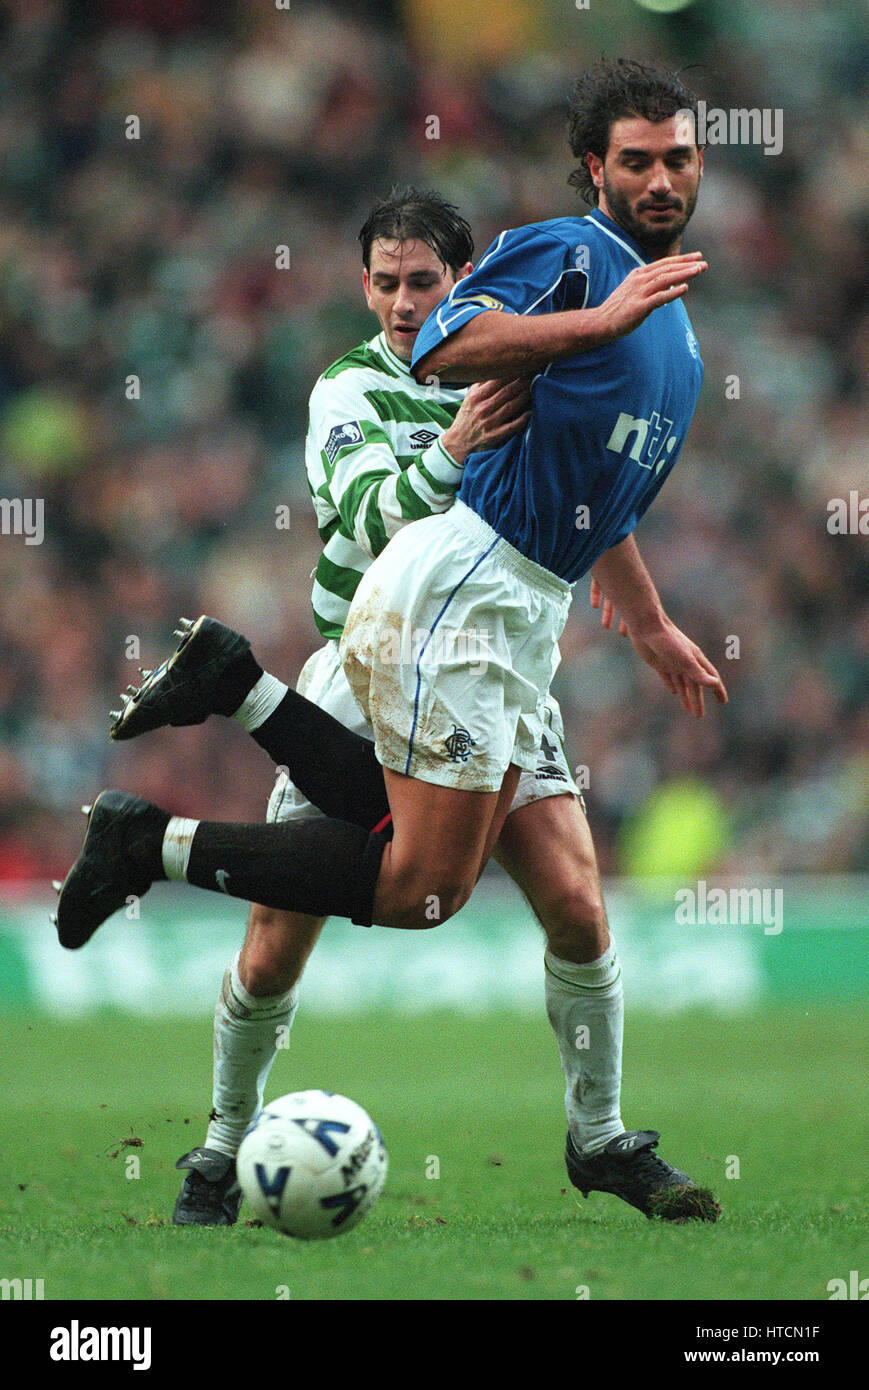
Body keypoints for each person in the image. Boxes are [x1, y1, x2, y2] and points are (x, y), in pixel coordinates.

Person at [55, 59, 727, 1224]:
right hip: (399, 639)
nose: (405, 303)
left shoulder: (662, 337)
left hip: (506, 636)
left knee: (572, 898)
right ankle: (214, 1138)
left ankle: (603, 1136)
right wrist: (507, 395)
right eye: (386, 284)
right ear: (594, 170)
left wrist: (653, 618)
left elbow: (588, 493)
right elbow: (382, 484)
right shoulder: (493, 310)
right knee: (340, 923)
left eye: (675, 157)